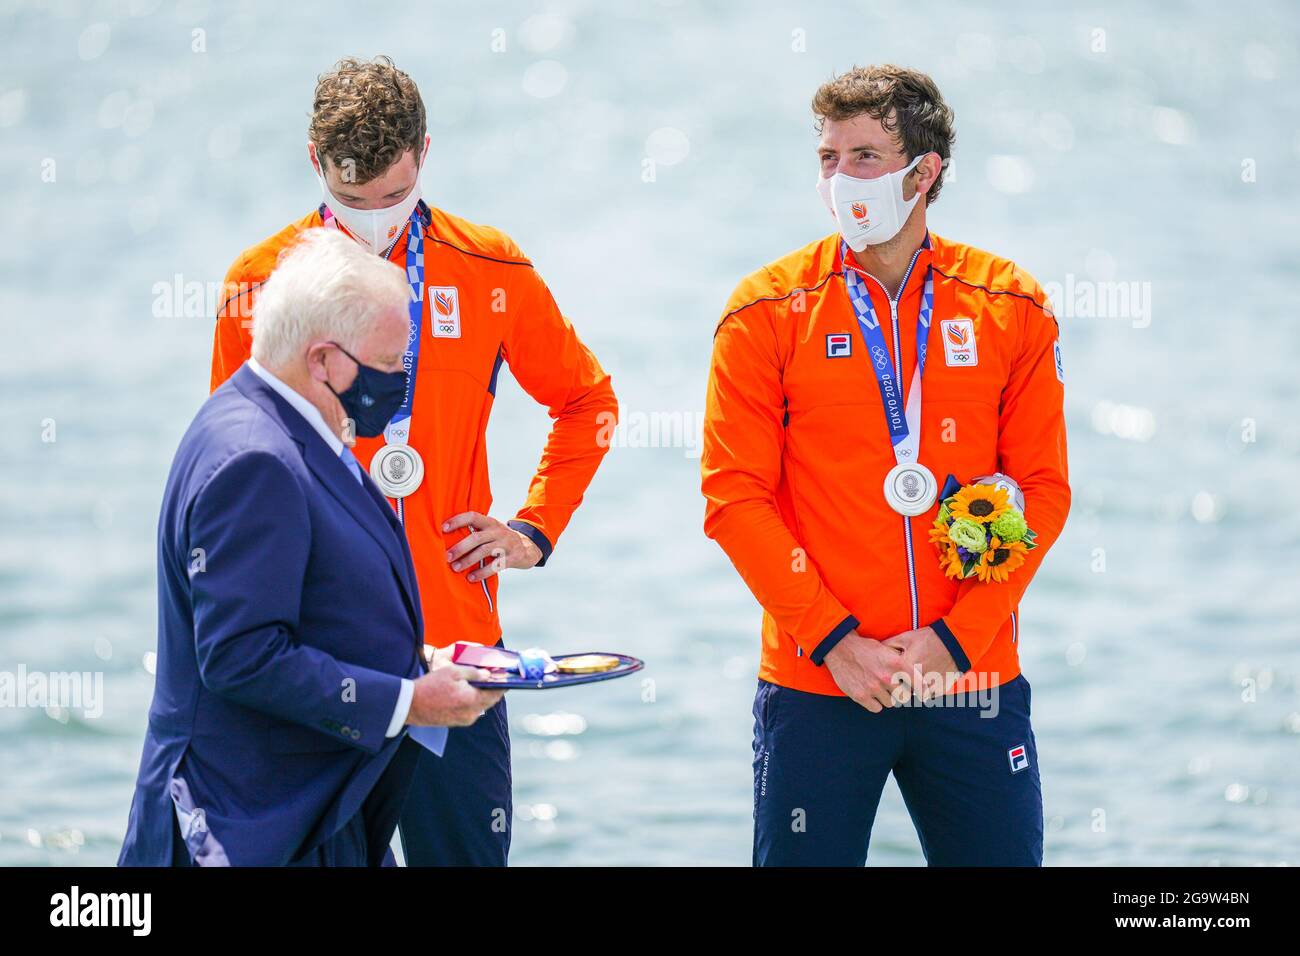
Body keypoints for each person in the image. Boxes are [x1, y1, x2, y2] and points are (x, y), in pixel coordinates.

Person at [209, 56, 618, 866]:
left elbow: (589, 404)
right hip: (317, 670)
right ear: (313, 161)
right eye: (351, 202)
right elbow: (233, 465)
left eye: (393, 199)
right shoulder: (259, 287)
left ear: (424, 153)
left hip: (457, 654)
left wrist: (532, 529)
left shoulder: (490, 266)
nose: (373, 222)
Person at [701, 64, 1071, 866]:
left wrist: (957, 639)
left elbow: (1043, 490)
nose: (840, 178)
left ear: (924, 171)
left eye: (864, 156)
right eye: (828, 158)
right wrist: (836, 642)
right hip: (819, 683)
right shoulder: (765, 310)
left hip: (970, 678)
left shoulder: (1011, 304)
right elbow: (734, 498)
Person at [119, 229, 504, 867]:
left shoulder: (284, 418)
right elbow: (241, 655)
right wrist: (409, 700)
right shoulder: (254, 461)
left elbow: (309, 599)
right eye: (388, 367)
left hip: (312, 809)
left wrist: (421, 656)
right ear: (323, 359)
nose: (399, 386)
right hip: (242, 824)